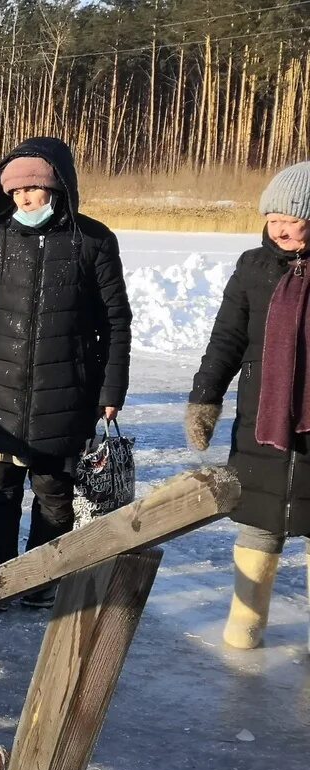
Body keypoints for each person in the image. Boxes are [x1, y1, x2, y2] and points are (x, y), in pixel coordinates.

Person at [0, 137, 132, 607]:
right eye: (16, 192)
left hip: (64, 397)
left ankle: (40, 582)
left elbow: (115, 322)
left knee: (54, 497)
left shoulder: (93, 242)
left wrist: (111, 390)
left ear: (58, 188)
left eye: (33, 189)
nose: (24, 199)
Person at [185, 162, 310, 651]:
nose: (280, 225)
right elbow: (227, 340)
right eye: (273, 215)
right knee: (259, 525)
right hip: (263, 421)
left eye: (293, 217)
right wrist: (204, 398)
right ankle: (245, 625)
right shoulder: (252, 268)